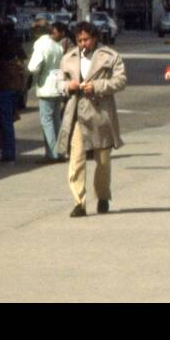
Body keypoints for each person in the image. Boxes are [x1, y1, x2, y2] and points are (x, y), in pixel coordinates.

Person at [54, 22, 128, 217]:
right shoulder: (68, 58)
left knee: (102, 161)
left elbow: (120, 81)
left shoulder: (110, 56)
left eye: (86, 39)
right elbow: (58, 82)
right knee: (76, 158)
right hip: (77, 114)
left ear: (94, 38)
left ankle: (103, 196)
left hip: (100, 114)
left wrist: (97, 86)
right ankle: (80, 202)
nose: (83, 43)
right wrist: (69, 86)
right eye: (79, 40)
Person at [27, 21, 68, 162]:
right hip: (59, 84)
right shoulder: (57, 46)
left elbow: (33, 67)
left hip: (47, 86)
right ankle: (60, 152)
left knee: (47, 121)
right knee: (56, 120)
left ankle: (52, 153)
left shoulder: (41, 45)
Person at [0, 23, 26, 162]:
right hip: (15, 86)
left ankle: (8, 153)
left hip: (4, 86)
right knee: (8, 121)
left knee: (4, 121)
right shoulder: (15, 43)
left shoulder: (1, 45)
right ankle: (9, 151)